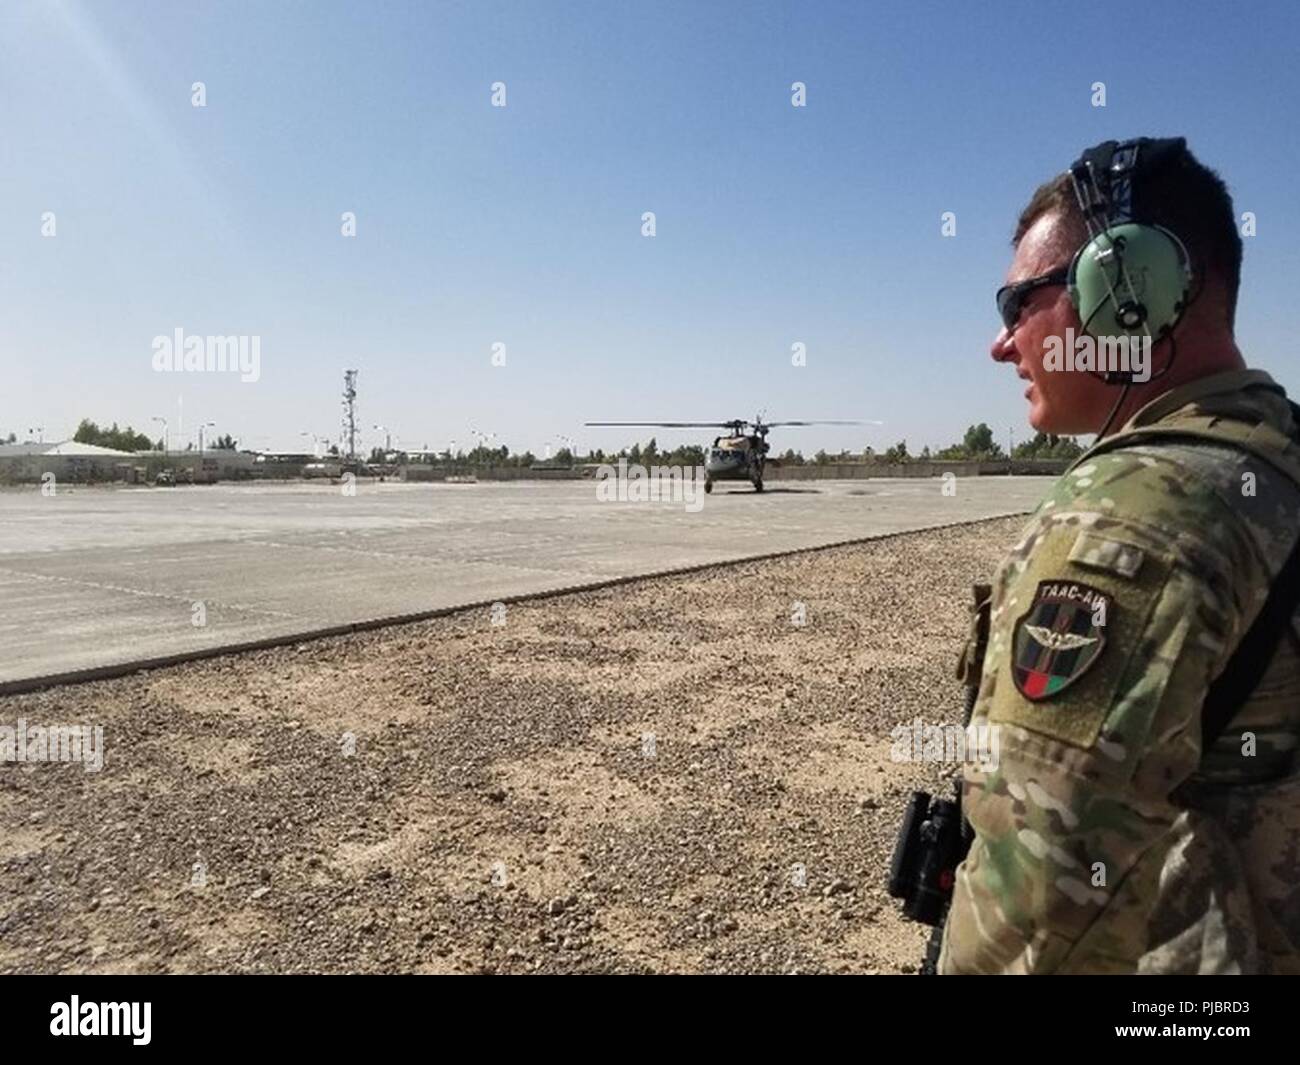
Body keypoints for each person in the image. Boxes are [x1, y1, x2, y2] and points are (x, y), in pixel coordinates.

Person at [939, 137, 1300, 974]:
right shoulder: (1277, 455)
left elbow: (1046, 905)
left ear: (1123, 289)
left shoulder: (1125, 521)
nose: (1002, 345)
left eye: (1015, 303)